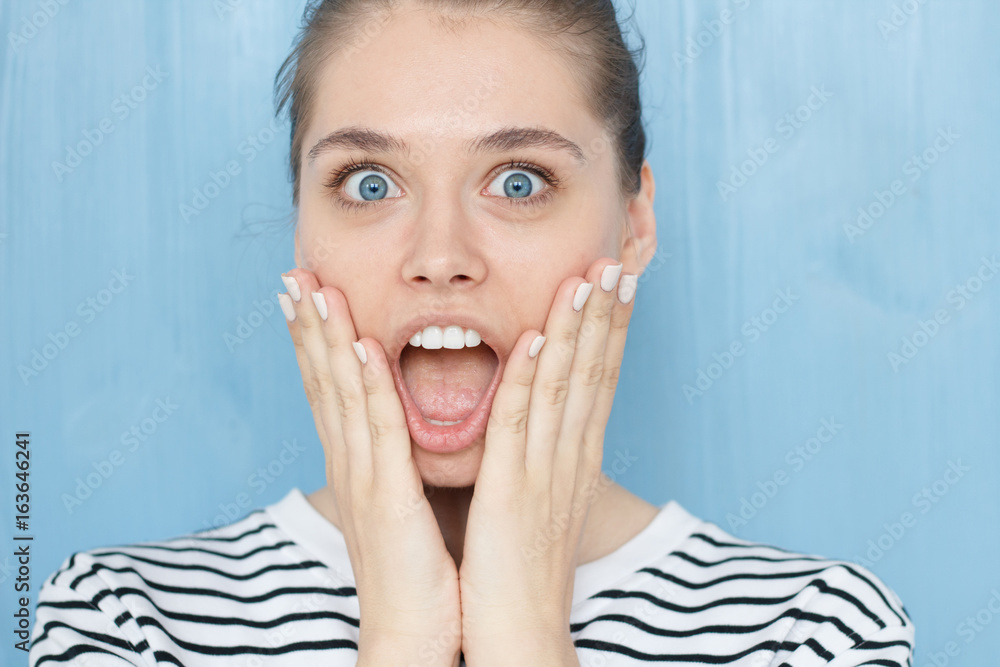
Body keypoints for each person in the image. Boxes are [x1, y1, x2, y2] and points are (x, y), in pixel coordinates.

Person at [30, 1, 914, 665]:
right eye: (370, 183)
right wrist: (405, 636)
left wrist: (524, 631)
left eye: (520, 181)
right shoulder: (123, 620)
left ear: (635, 223)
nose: (440, 256)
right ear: (300, 229)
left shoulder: (816, 631)